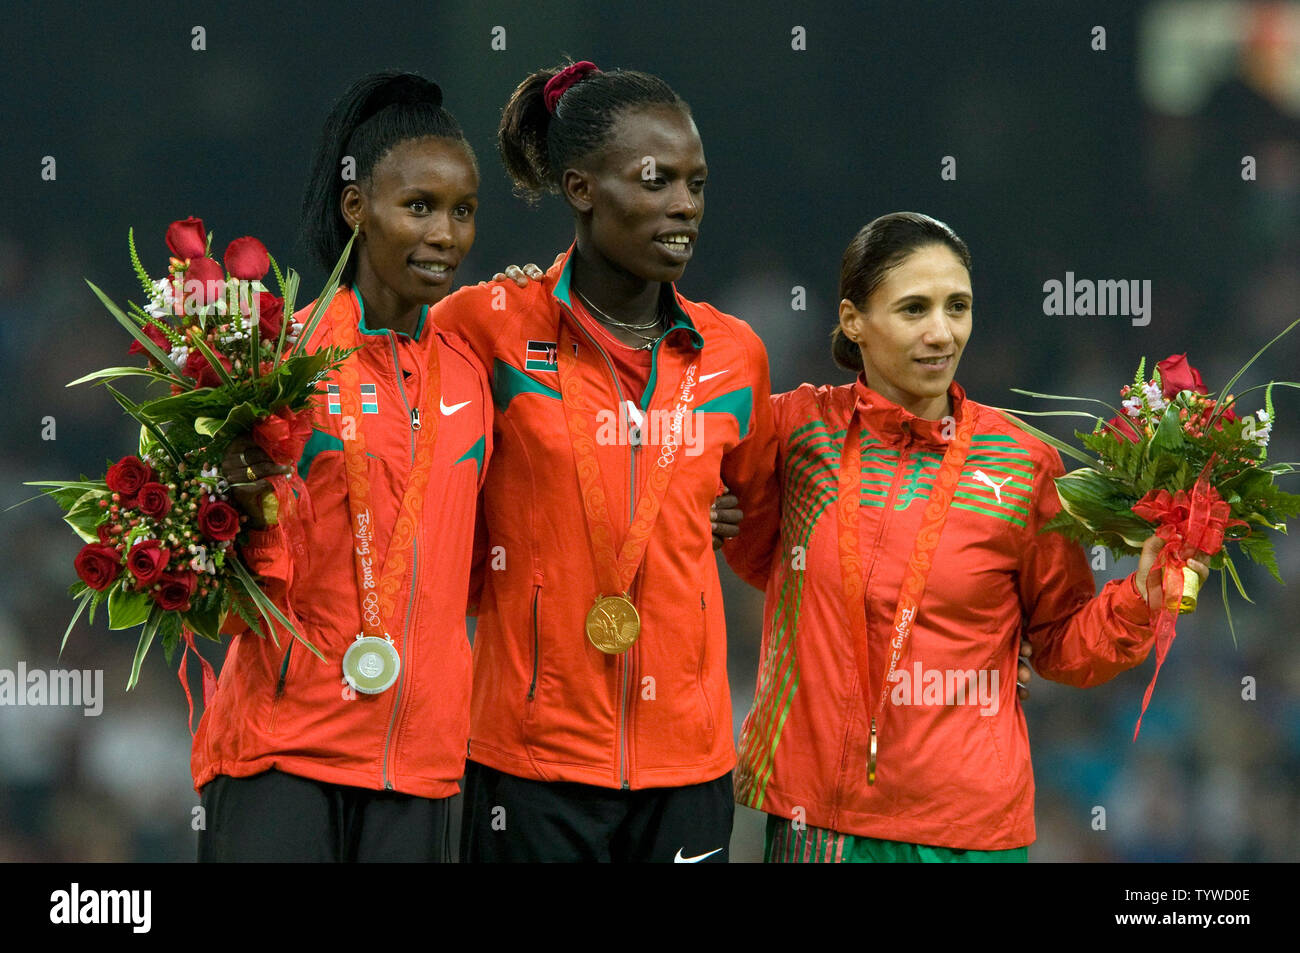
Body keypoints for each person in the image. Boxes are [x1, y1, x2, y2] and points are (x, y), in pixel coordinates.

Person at [725, 212, 1211, 862]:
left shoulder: (1021, 462)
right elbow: (746, 545)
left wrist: (1143, 595)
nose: (941, 332)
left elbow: (1064, 642)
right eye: (913, 308)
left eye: (958, 306)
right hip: (825, 820)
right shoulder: (795, 430)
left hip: (974, 832)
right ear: (853, 321)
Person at [432, 61, 780, 862]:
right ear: (581, 188)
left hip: (688, 764)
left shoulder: (736, 356)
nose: (684, 204)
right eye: (656, 181)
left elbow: (759, 529)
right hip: (529, 758)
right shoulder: (484, 327)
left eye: (696, 183)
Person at [190, 72, 496, 862]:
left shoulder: (471, 378)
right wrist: (220, 499)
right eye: (419, 206)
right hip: (283, 753)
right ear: (357, 208)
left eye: (463, 211)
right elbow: (219, 579)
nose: (446, 234)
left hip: (421, 768)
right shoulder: (279, 361)